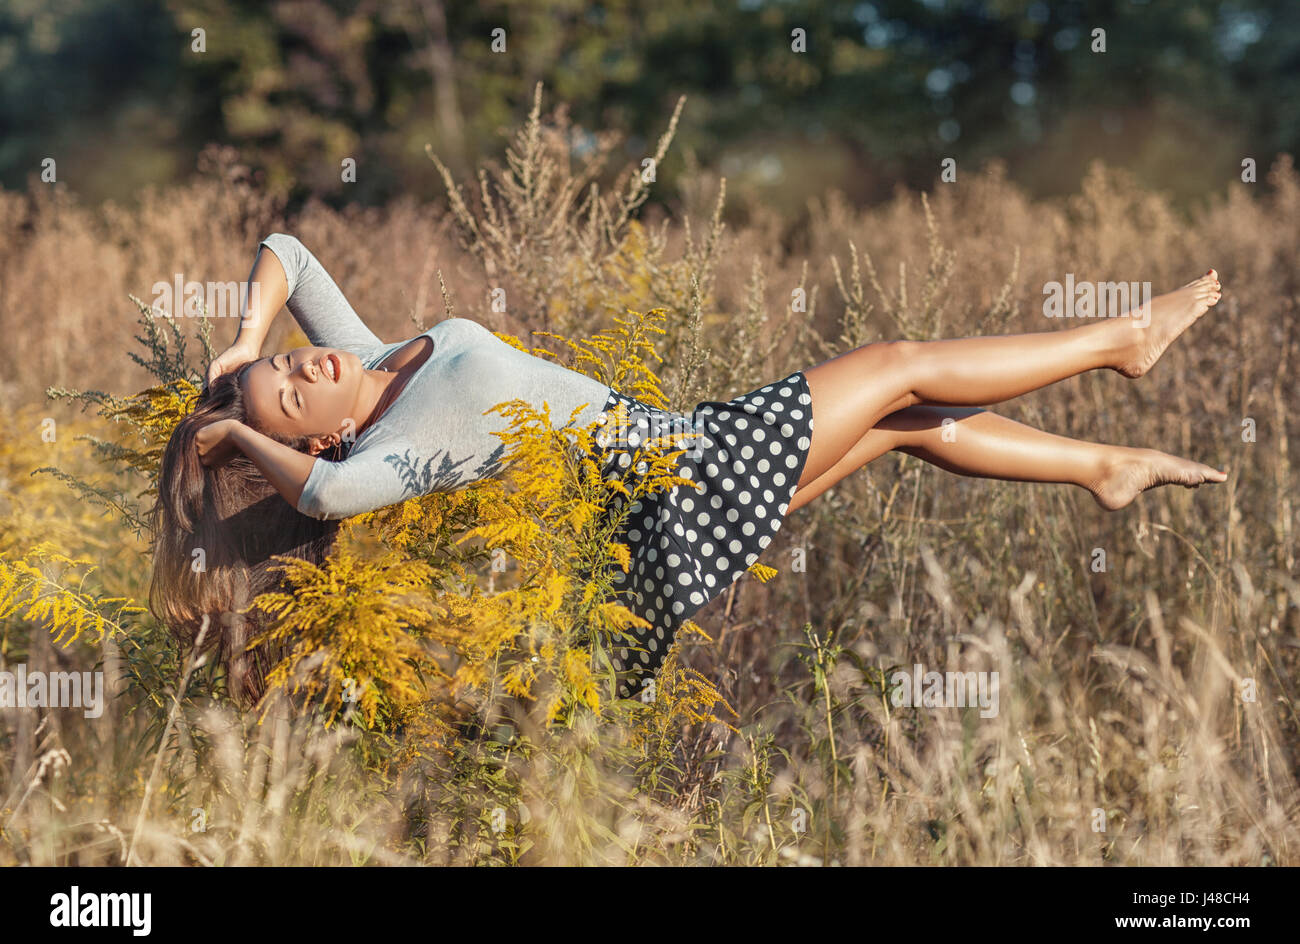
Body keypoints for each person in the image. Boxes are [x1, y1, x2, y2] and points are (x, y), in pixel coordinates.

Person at [152, 233, 1226, 701]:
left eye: (297, 359)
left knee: (906, 421)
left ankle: (1102, 465)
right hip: (689, 475)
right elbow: (329, 494)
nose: (310, 362)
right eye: (295, 391)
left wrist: (243, 351)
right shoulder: (391, 449)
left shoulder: (378, 360)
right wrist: (241, 438)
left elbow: (286, 252)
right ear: (322, 435)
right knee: (898, 363)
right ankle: (1121, 342)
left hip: (674, 480)